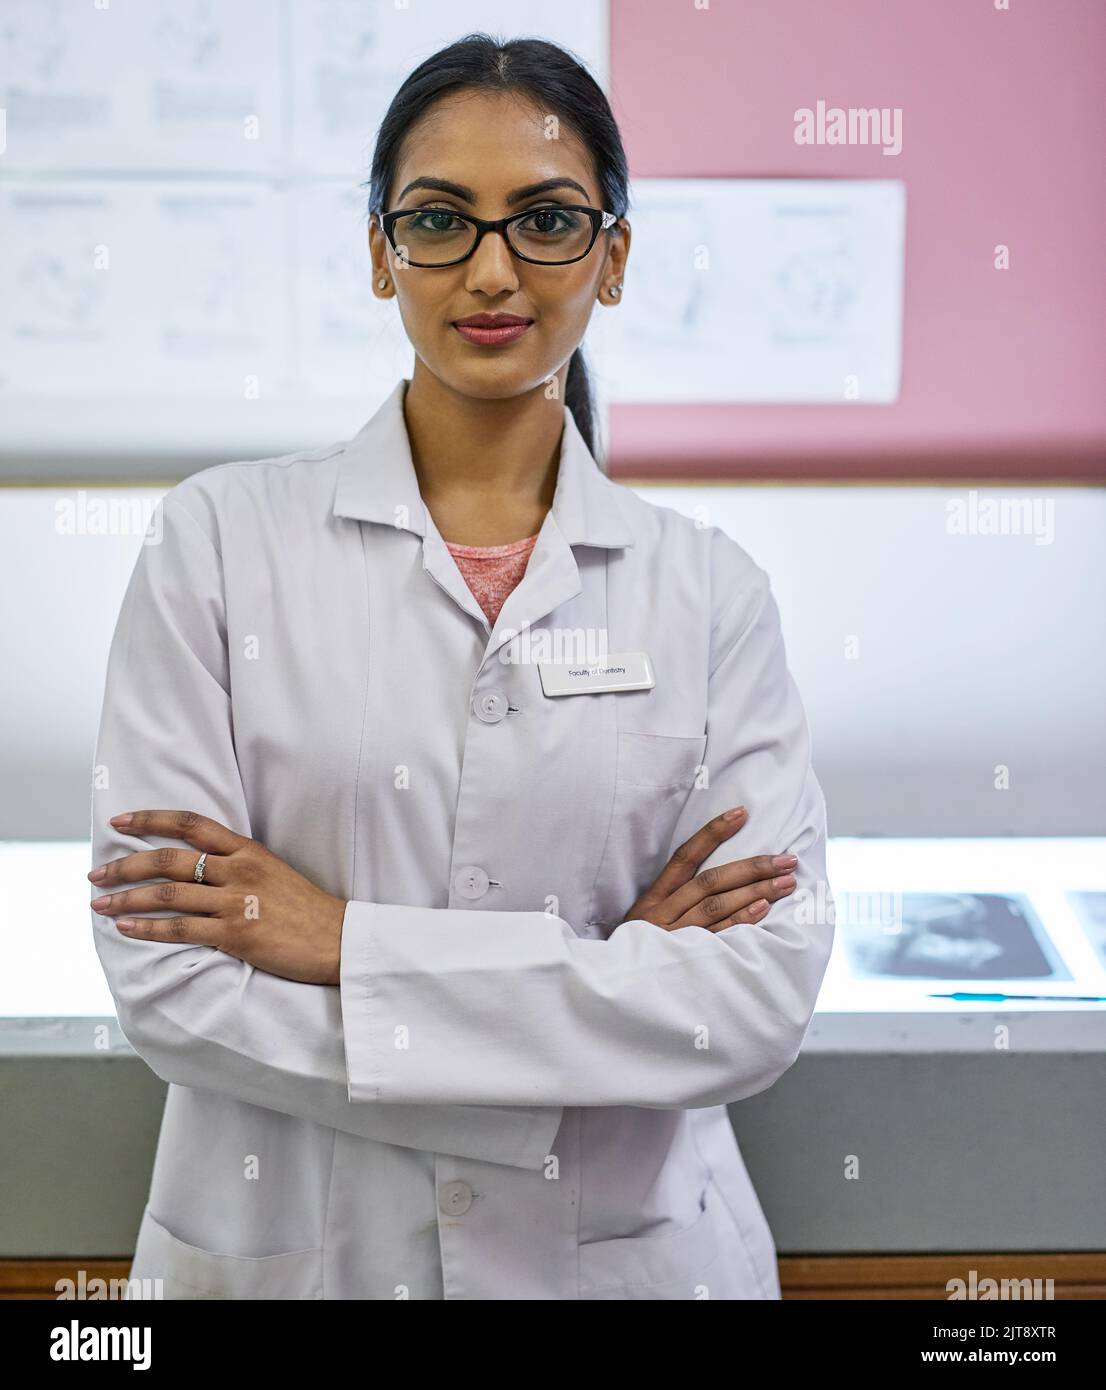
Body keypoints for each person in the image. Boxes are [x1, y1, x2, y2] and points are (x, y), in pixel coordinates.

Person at [89, 32, 834, 1301]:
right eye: (439, 219)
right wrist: (596, 1007)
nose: (491, 270)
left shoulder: (708, 592)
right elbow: (168, 980)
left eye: (546, 219)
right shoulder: (216, 544)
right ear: (381, 253)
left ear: (613, 256)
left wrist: (336, 941)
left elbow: (750, 999)